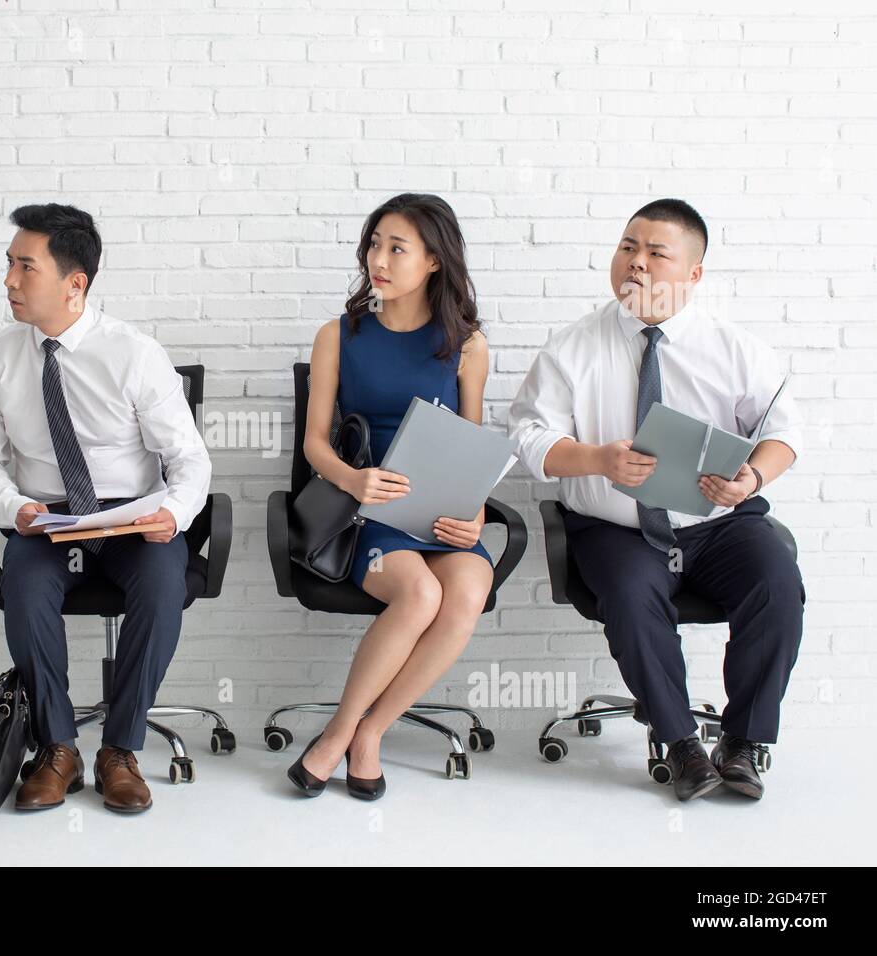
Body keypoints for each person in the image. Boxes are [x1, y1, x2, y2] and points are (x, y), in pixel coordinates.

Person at [508, 198, 805, 802]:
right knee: (630, 592)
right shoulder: (572, 347)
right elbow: (526, 436)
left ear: (693, 273)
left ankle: (743, 744)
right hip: (615, 528)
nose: (636, 263)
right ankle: (681, 744)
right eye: (627, 247)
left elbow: (784, 434)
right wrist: (596, 458)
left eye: (655, 253)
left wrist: (750, 479)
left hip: (717, 523)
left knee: (776, 581)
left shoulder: (736, 349)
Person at [0, 203, 210, 814]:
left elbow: (190, 460)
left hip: (130, 519)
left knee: (159, 587)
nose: (10, 281)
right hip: (45, 520)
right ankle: (58, 749)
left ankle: (120, 750)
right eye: (9, 265)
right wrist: (14, 508)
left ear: (76, 283)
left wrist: (172, 515)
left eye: (26, 267)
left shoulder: (135, 353)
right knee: (24, 589)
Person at [286, 193, 495, 801]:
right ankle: (337, 735)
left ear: (434, 260)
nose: (378, 258)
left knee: (466, 593)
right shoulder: (339, 335)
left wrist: (475, 508)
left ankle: (371, 731)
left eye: (396, 247)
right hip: (369, 511)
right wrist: (354, 481)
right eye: (374, 243)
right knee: (419, 591)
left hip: (443, 513)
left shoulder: (469, 344)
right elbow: (315, 446)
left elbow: (473, 443)